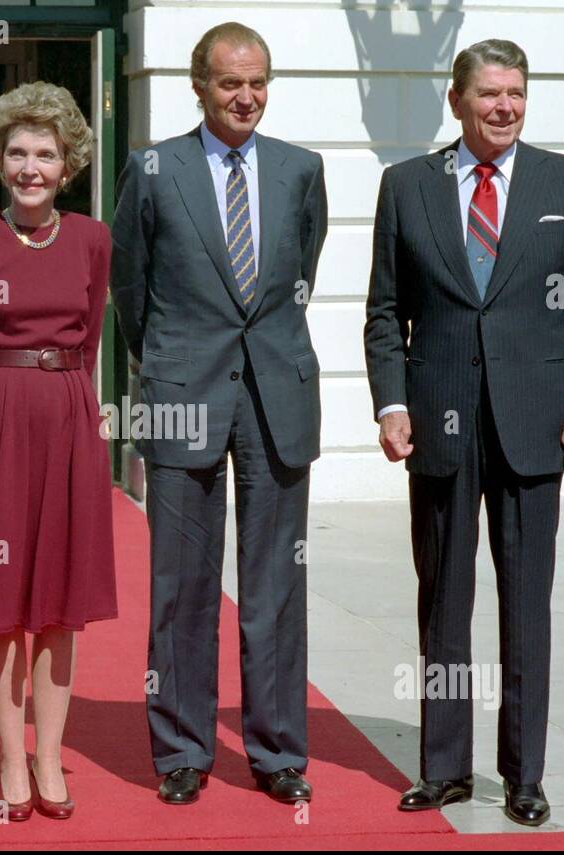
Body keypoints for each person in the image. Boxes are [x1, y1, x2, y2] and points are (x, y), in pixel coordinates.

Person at [364, 39, 564, 826]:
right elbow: (383, 314)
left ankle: (524, 775)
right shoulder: (405, 186)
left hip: (536, 424)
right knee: (442, 600)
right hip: (438, 421)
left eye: (515, 94)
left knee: (525, 606)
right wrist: (391, 404)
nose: (504, 107)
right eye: (489, 95)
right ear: (457, 101)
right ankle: (443, 768)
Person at [110, 22, 329, 806]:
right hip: (182, 396)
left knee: (276, 587)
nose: (246, 97)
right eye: (231, 82)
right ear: (198, 85)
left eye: (259, 82)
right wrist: (169, 361)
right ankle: (181, 748)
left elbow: (298, 272)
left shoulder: (302, 170)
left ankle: (276, 752)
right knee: (180, 586)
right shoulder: (154, 167)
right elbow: (130, 289)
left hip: (276, 398)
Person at [0, 82, 117, 822]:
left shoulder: (94, 239)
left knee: (61, 607)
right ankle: (11, 753)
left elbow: (92, 337)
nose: (31, 166)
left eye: (45, 153)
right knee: (2, 606)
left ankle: (50, 755)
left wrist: (77, 410)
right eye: (18, 152)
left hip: (69, 416)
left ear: (67, 164)